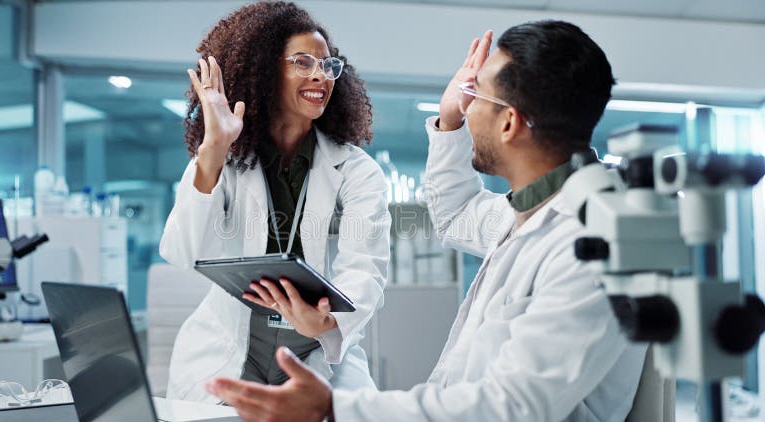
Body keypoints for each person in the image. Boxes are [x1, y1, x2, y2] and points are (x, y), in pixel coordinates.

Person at [204, 21, 648, 421]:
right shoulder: (532, 210)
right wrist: (451, 118)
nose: (466, 106)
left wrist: (334, 407)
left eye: (476, 97)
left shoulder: (597, 240)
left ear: (510, 122)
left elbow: (514, 405)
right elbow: (455, 214)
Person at [159, 1, 390, 402]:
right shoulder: (226, 157)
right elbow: (183, 252)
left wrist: (325, 323)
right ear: (267, 71)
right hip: (230, 344)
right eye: (302, 62)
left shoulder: (357, 171)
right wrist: (213, 148)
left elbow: (365, 269)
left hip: (315, 344)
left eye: (328, 65)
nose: (320, 75)